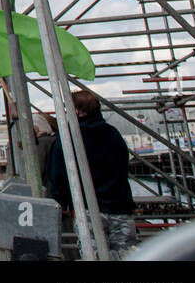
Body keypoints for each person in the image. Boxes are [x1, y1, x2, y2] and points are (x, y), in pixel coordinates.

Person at [45, 90, 137, 257]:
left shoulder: (68, 139)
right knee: (127, 256)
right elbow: (124, 165)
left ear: (76, 111)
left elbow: (58, 177)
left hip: (88, 209)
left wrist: (63, 201)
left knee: (93, 256)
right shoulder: (113, 134)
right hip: (120, 207)